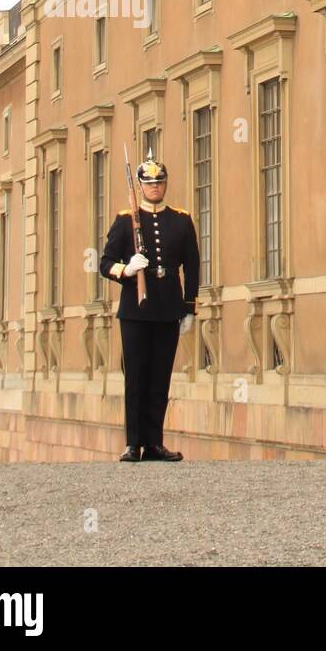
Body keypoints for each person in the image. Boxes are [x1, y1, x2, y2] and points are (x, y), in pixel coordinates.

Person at [99, 153, 200, 463]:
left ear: (165, 184)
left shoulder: (180, 220)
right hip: (135, 311)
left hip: (167, 307)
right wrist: (126, 270)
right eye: (150, 183)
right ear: (140, 186)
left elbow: (192, 265)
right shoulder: (125, 220)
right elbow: (105, 263)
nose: (155, 187)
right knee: (136, 377)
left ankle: (154, 442)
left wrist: (189, 307)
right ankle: (133, 444)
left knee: (160, 377)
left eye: (159, 182)